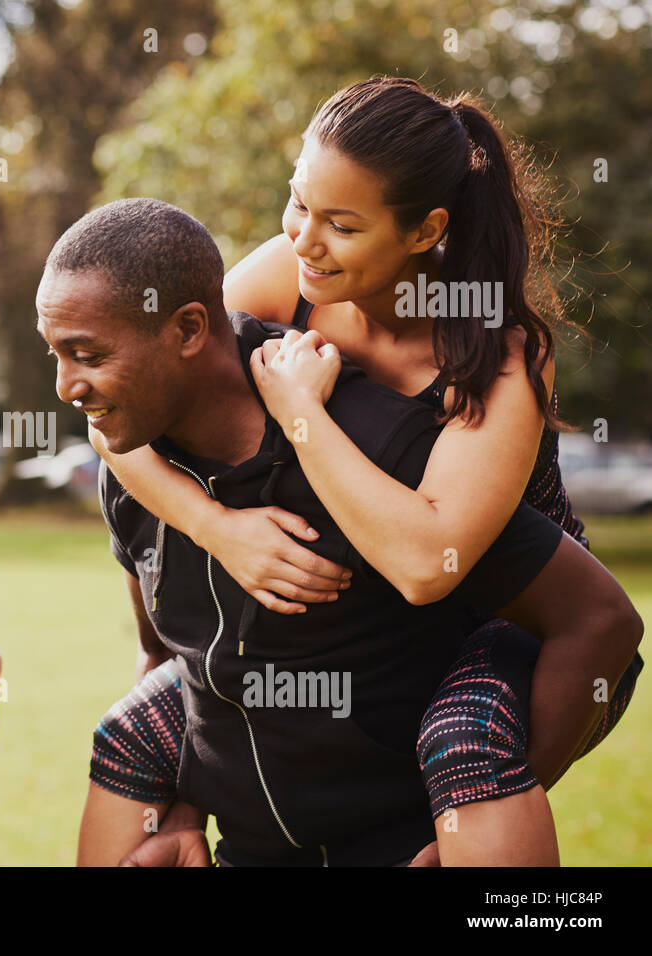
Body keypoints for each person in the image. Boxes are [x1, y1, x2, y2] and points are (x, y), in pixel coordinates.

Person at [82, 77, 641, 865]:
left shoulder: (500, 354)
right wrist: (224, 531)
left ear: (425, 231)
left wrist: (301, 414)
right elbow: (134, 404)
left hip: (516, 626)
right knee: (131, 733)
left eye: (341, 224)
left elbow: (428, 563)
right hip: (369, 622)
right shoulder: (289, 275)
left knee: (463, 745)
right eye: (298, 202)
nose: (307, 238)